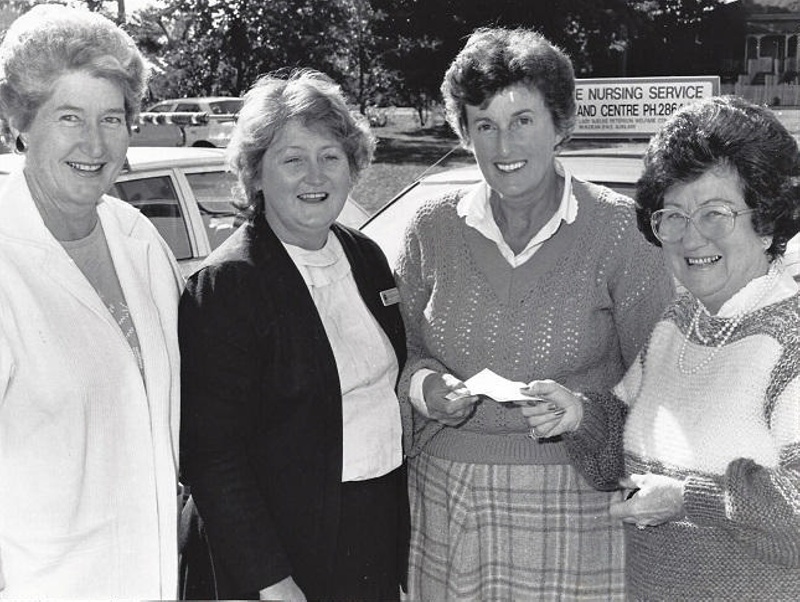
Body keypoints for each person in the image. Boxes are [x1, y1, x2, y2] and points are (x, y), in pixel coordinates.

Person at [394, 27, 674, 601]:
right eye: (484, 125)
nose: (504, 144)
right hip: (446, 502)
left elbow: (662, 381)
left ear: (560, 123)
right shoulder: (430, 226)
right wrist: (425, 388)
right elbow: (399, 352)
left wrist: (583, 412)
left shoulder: (619, 230)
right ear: (464, 132)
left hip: (577, 507)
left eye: (522, 119)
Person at [521, 96, 800, 599]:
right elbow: (619, 457)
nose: (691, 237)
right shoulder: (677, 322)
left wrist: (690, 500)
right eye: (673, 215)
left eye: (716, 213)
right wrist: (580, 417)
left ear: (767, 224)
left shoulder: (791, 342)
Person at [178, 69, 408, 601]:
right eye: (292, 159)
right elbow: (212, 455)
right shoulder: (229, 284)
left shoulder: (365, 257)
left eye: (330, 156)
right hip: (275, 557)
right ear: (255, 174)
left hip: (367, 533)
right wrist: (271, 581)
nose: (315, 175)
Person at [0, 5, 182, 598]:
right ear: (21, 122)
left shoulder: (139, 239)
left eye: (112, 118)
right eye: (69, 116)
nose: (95, 143)